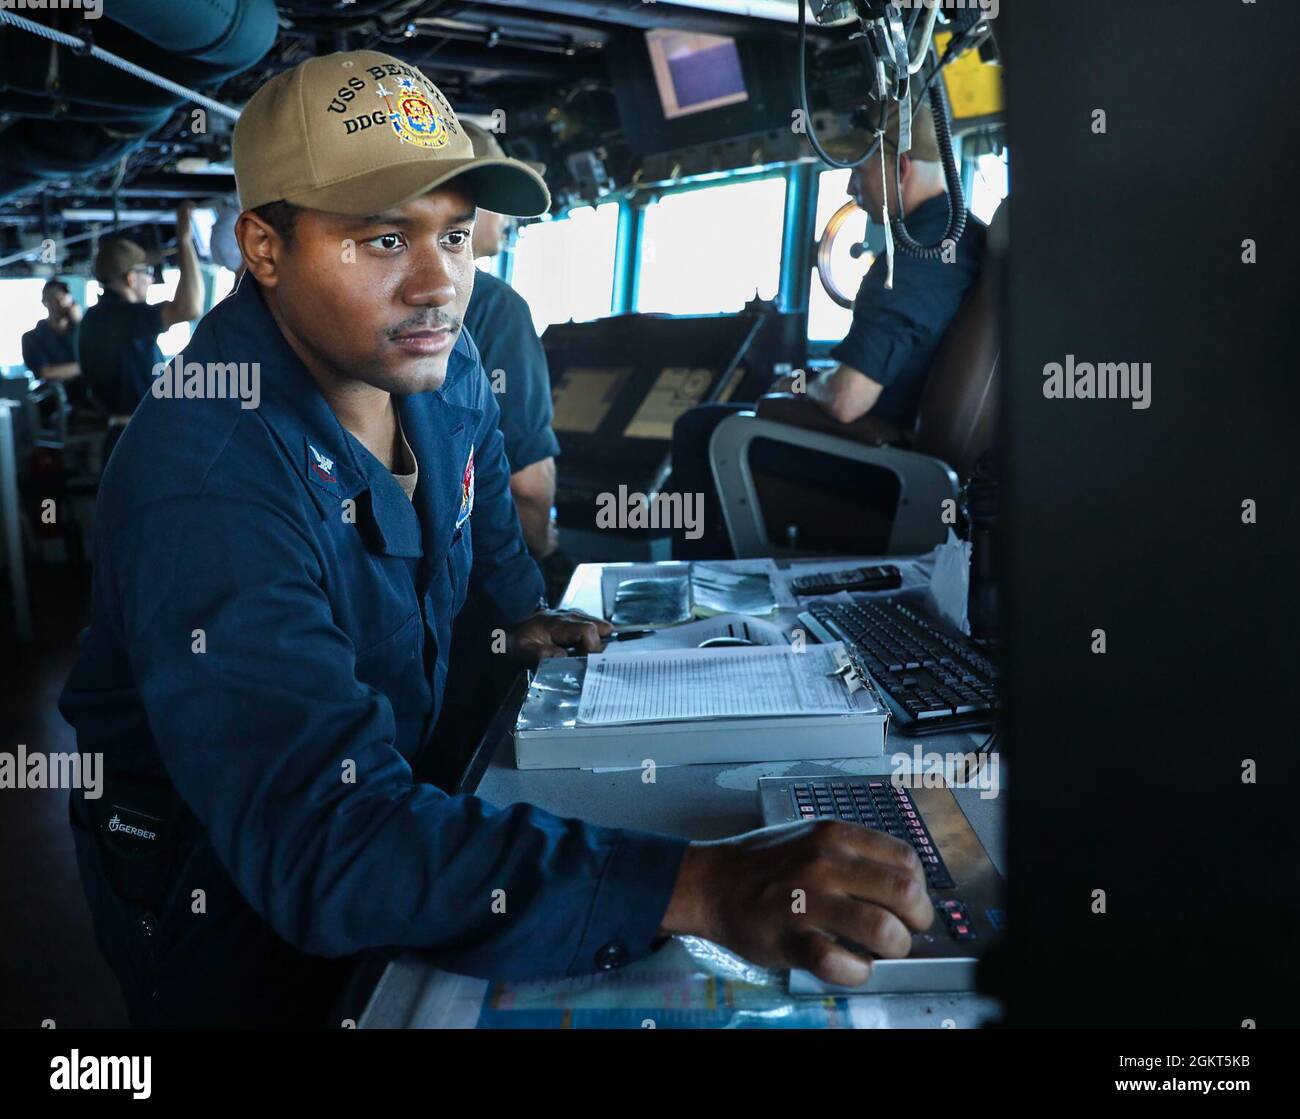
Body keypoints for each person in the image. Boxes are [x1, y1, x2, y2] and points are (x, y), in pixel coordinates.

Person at [60, 51, 932, 1028]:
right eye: (384, 239)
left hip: (399, 803)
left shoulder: (444, 357)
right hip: (225, 885)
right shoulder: (208, 475)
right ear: (265, 249)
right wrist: (699, 889)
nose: (437, 282)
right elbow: (320, 844)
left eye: (458, 235)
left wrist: (520, 620)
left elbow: (481, 543)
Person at [670, 97, 987, 558]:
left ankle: (705, 600)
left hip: (888, 469)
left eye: (858, 169)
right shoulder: (960, 238)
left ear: (899, 168)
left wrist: (799, 388)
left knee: (702, 429)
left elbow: (846, 399)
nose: (850, 188)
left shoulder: (915, 257)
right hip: (911, 455)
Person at [460, 120, 559, 560]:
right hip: (482, 573)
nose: (507, 217)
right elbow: (529, 486)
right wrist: (538, 570)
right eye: (495, 199)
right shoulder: (498, 308)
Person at [77, 203, 204, 417]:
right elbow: (189, 308)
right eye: (148, 273)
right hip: (139, 431)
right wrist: (184, 239)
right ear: (131, 278)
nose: (151, 280)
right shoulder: (123, 316)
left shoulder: (95, 316)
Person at [22, 280, 86, 406]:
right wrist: (85, 367)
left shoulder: (80, 330)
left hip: (87, 398)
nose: (61, 303)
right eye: (54, 299)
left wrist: (79, 323)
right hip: (53, 403)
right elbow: (47, 373)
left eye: (64, 298)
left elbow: (98, 358)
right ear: (45, 302)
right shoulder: (31, 338)